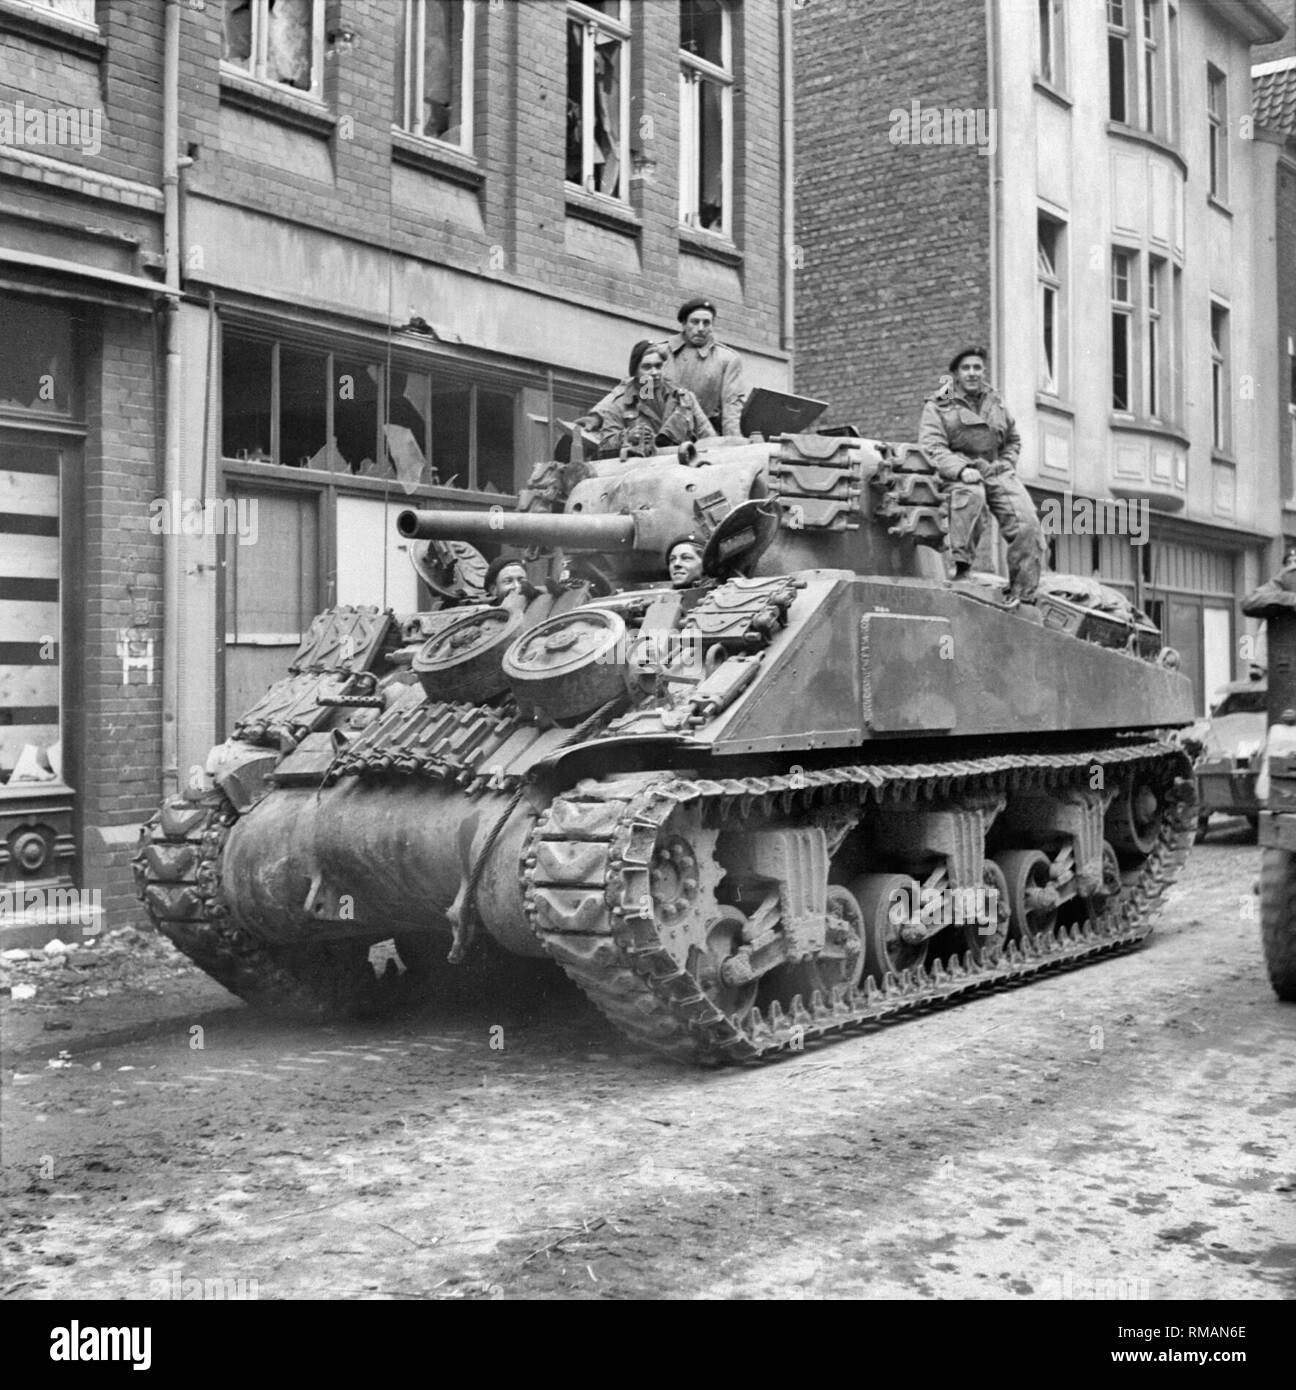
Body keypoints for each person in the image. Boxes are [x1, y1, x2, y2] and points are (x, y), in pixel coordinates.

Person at [917, 345, 1045, 605]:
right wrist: (961, 470)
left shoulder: (995, 401)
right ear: (955, 374)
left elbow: (1013, 439)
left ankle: (1022, 593)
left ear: (983, 371)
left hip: (996, 469)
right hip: (958, 471)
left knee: (1028, 522)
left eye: (977, 367)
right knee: (970, 498)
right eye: (966, 368)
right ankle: (962, 570)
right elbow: (932, 446)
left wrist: (1006, 463)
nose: (972, 373)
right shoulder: (939, 405)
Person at [585, 340, 715, 458]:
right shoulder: (619, 404)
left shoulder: (684, 398)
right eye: (647, 367)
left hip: (682, 467)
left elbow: (709, 438)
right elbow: (604, 446)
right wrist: (627, 437)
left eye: (658, 366)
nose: (654, 372)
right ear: (635, 372)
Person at [658, 298, 747, 437]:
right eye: (694, 322)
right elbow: (644, 397)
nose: (700, 328)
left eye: (706, 323)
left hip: (704, 440)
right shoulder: (657, 353)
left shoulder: (727, 360)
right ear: (683, 324)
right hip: (660, 439)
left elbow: (732, 409)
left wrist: (733, 444)